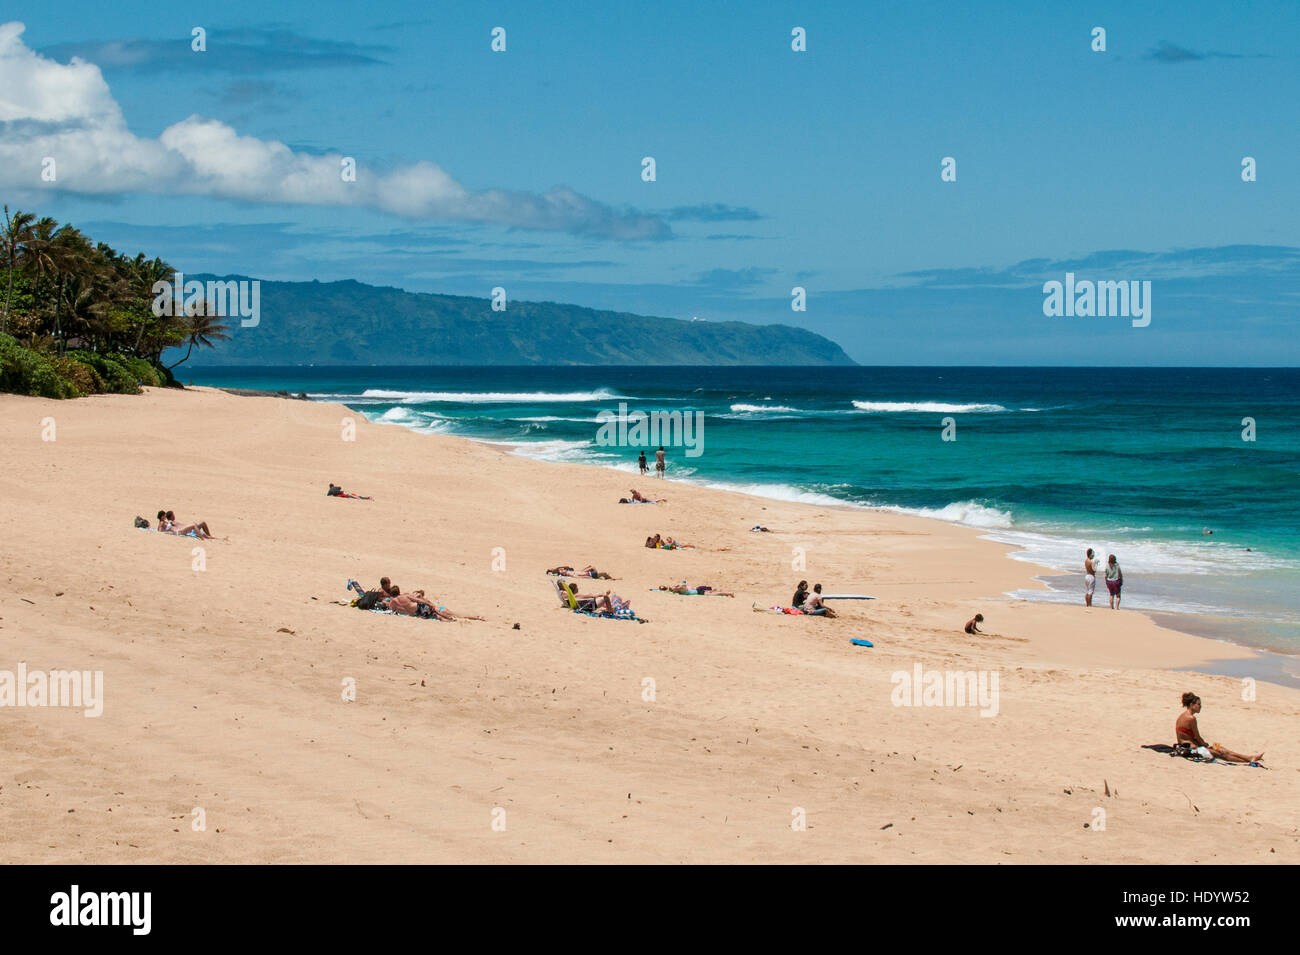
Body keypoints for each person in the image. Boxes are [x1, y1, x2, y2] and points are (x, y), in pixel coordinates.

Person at [1176, 692, 1263, 764]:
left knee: (1220, 747)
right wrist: (1205, 744)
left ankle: (1249, 757)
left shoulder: (1182, 716)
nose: (1200, 706)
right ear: (1191, 705)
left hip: (1194, 745)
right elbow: (1198, 737)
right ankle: (1248, 761)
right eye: (1198, 704)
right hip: (1192, 748)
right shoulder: (1191, 718)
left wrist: (1205, 744)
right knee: (1221, 753)